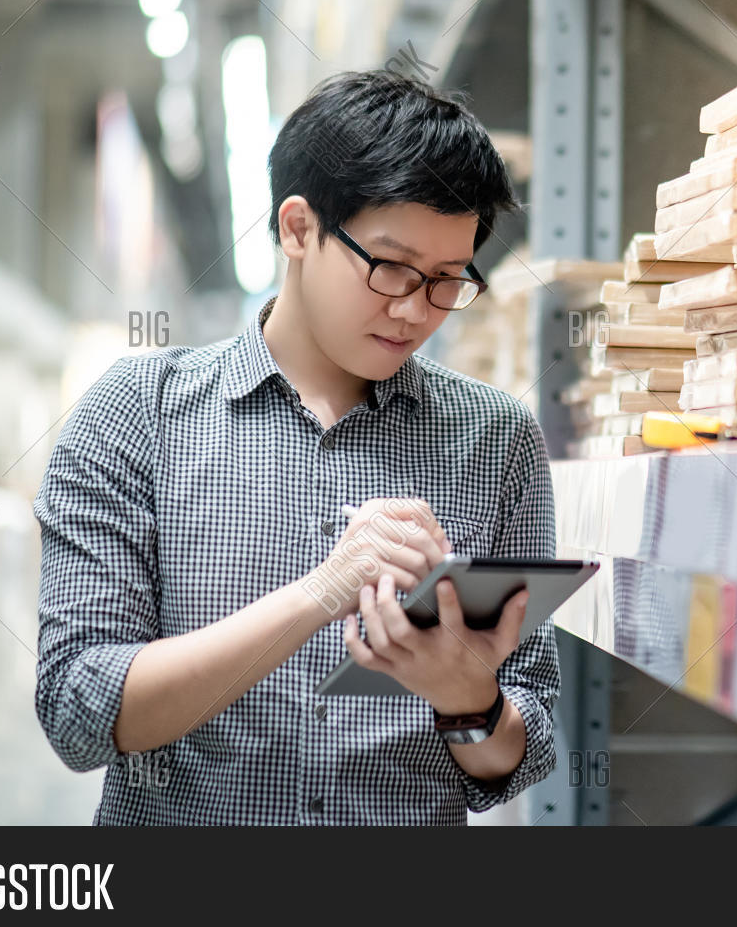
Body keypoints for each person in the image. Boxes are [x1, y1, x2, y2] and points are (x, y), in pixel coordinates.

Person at [32, 69, 559, 825]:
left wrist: (467, 699)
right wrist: (319, 595)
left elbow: (521, 753)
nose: (415, 310)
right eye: (390, 267)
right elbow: (79, 711)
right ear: (298, 228)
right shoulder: (137, 414)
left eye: (448, 280)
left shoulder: (496, 440)